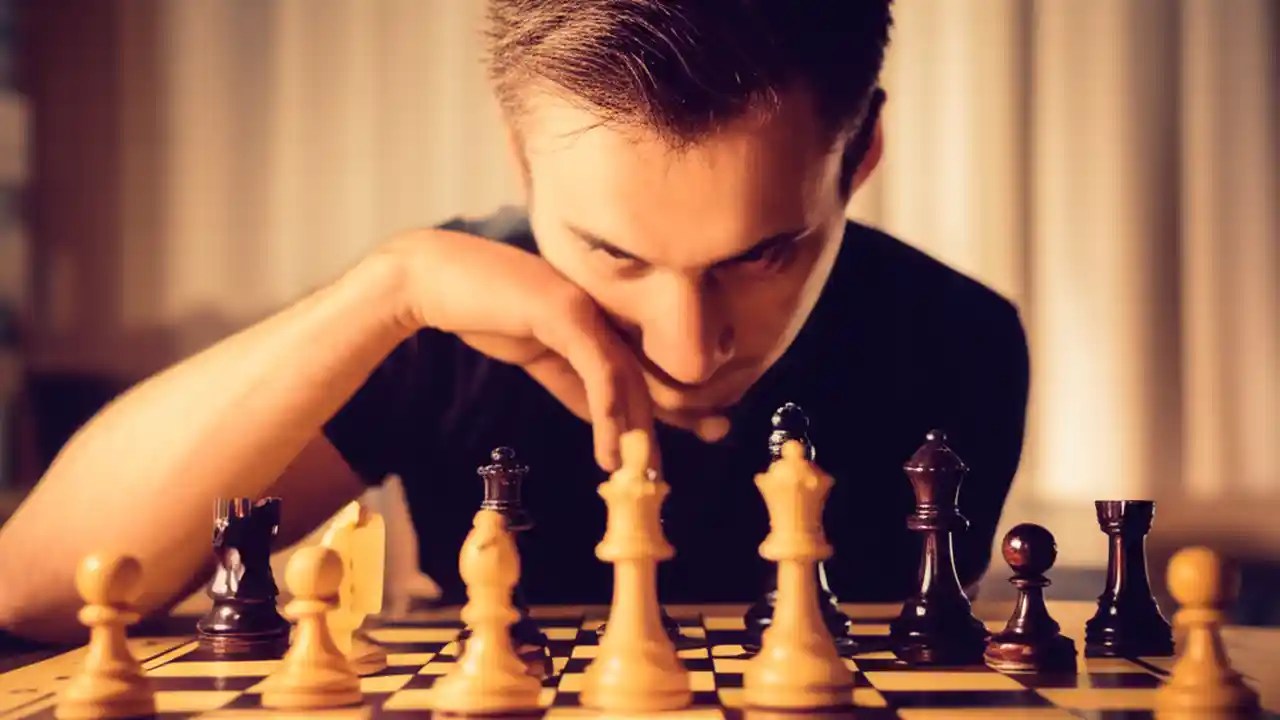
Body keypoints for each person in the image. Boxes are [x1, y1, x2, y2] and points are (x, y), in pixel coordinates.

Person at [0, 0, 1028, 643]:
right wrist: (381, 291)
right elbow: (33, 592)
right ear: (517, 157)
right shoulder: (433, 329)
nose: (682, 348)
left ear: (863, 155)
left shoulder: (960, 346)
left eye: (761, 254)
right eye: (613, 254)